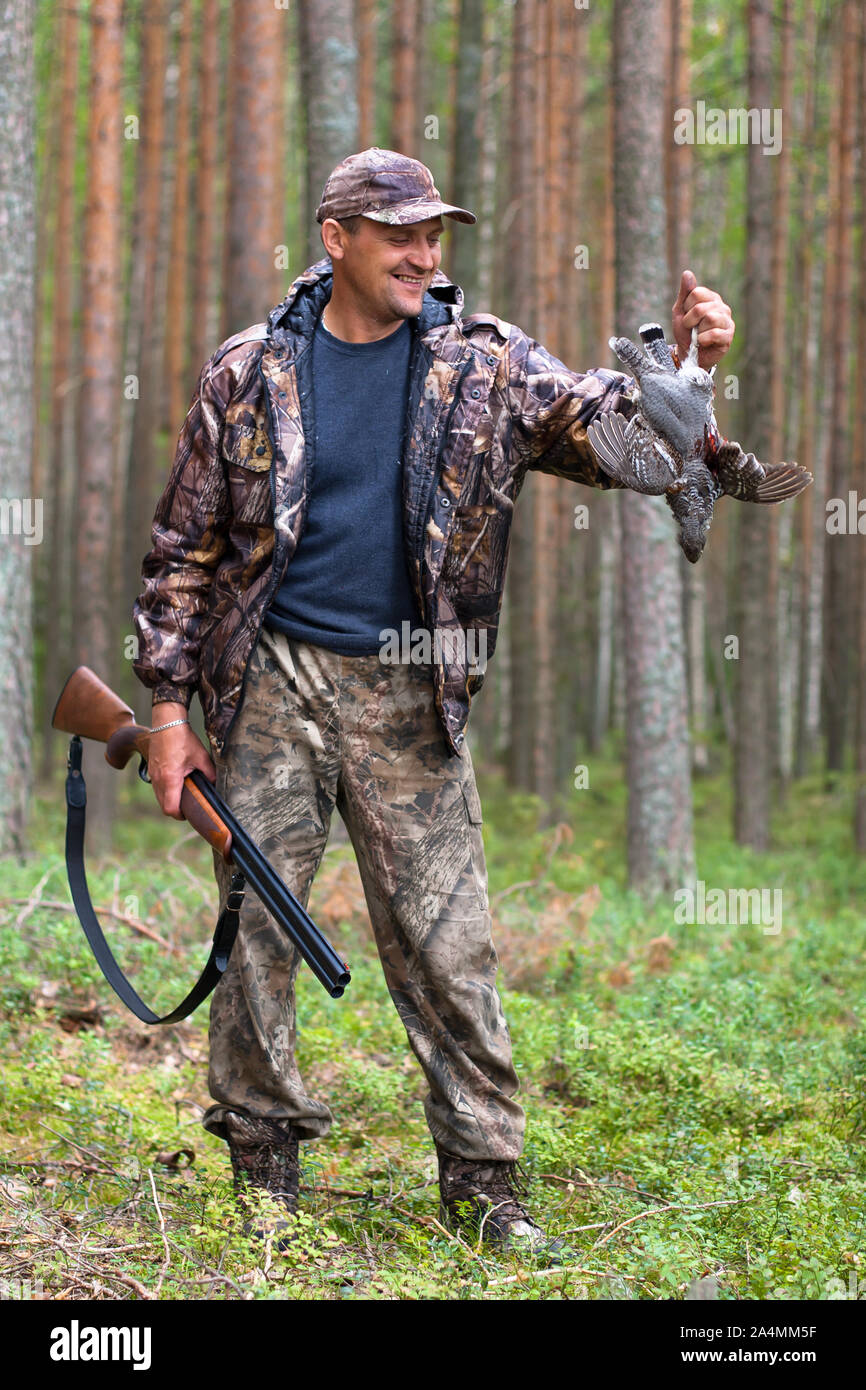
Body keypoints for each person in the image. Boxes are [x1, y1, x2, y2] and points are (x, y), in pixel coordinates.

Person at [132, 147, 734, 1251]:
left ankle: (484, 1185)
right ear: (335, 239)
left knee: (446, 941)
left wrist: (686, 379)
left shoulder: (485, 363)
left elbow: (607, 433)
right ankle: (261, 1173)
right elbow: (183, 549)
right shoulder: (248, 370)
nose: (422, 253)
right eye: (399, 232)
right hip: (269, 679)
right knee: (256, 932)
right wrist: (166, 710)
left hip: (412, 688)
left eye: (433, 235)